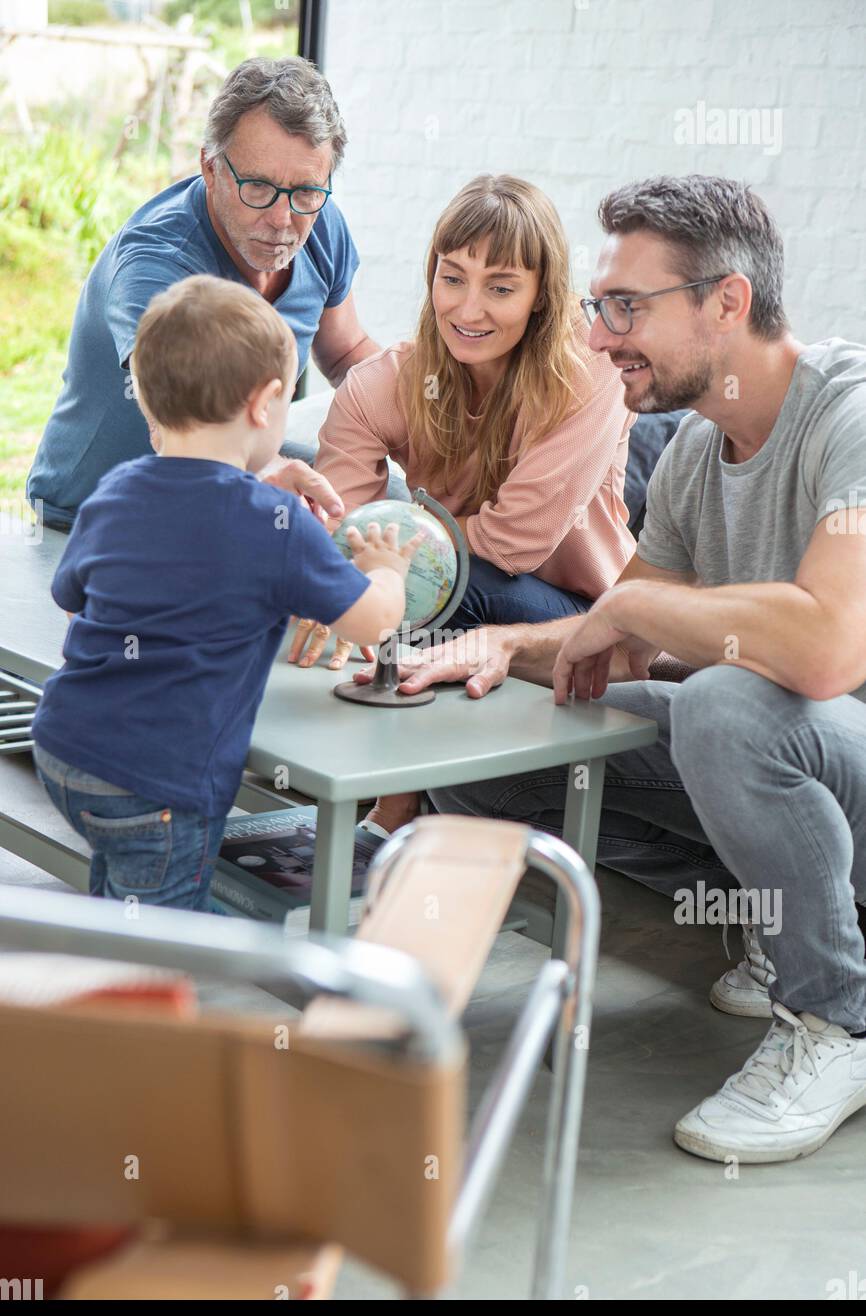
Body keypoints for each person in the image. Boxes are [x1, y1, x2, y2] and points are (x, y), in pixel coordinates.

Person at [356, 174, 866, 1165]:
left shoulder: (846, 415)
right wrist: (506, 649)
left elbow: (825, 650)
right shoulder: (689, 454)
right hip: (796, 769)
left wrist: (627, 608)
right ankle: (768, 905)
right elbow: (619, 640)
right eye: (597, 307)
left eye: (624, 307)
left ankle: (835, 1020)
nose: (594, 336)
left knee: (721, 702)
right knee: (498, 739)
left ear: (726, 301)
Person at [30, 276, 418, 911]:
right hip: (156, 785)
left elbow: (72, 596)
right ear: (266, 403)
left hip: (66, 751)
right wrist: (388, 569)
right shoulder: (276, 522)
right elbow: (373, 624)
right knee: (168, 941)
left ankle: (102, 974)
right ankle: (138, 993)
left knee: (126, 897)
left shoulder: (116, 490)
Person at [298, 173, 636, 835]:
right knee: (332, 598)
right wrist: (340, 579)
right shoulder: (383, 383)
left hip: (578, 617)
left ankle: (392, 809)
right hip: (452, 587)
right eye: (452, 278)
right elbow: (338, 532)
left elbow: (515, 543)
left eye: (502, 287)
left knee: (430, 581)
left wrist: (385, 565)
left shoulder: (592, 374)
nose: (469, 309)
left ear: (541, 297)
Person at [26, 56, 380, 531]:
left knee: (386, 502)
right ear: (210, 168)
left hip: (229, 473)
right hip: (97, 513)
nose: (282, 220)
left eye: (306, 192)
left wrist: (433, 423)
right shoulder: (155, 263)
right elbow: (175, 427)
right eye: (257, 187)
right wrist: (268, 481)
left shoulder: (320, 224)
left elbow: (347, 352)